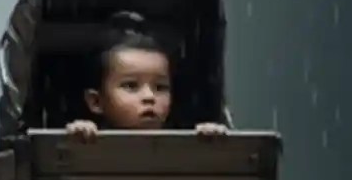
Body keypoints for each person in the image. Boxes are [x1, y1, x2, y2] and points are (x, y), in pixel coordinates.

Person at [65, 12, 229, 142]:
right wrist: (78, 139)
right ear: (96, 101)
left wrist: (208, 143)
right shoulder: (89, 140)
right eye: (131, 86)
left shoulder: (179, 145)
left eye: (160, 87)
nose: (149, 97)